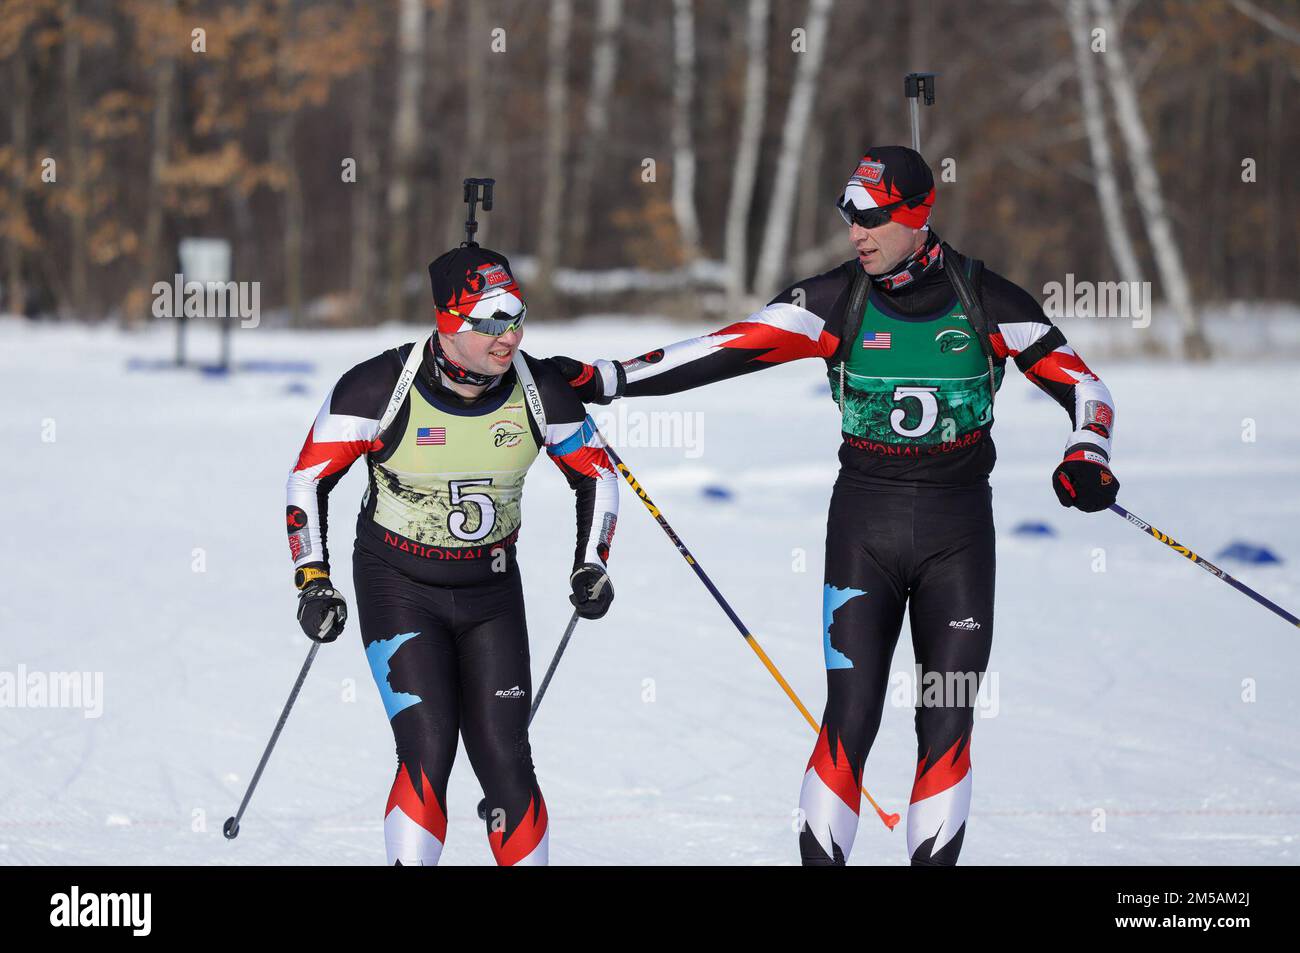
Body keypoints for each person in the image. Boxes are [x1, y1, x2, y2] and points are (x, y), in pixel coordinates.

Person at [549, 146, 1118, 866]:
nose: (857, 234)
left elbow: (1086, 388)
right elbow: (721, 348)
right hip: (864, 532)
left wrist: (1087, 453)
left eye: (874, 219)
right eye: (850, 218)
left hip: (958, 538)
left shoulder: (989, 301)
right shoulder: (834, 301)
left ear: (917, 216)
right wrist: (604, 378)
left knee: (947, 720)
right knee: (850, 718)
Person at [285, 245, 619, 866]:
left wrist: (591, 562)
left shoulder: (540, 387)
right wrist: (313, 580)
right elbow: (308, 477)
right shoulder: (378, 385)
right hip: (398, 585)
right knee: (428, 746)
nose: (508, 336)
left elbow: (598, 474)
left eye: (516, 316)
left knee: (506, 757)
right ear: (448, 321)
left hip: (491, 591)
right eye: (490, 321)